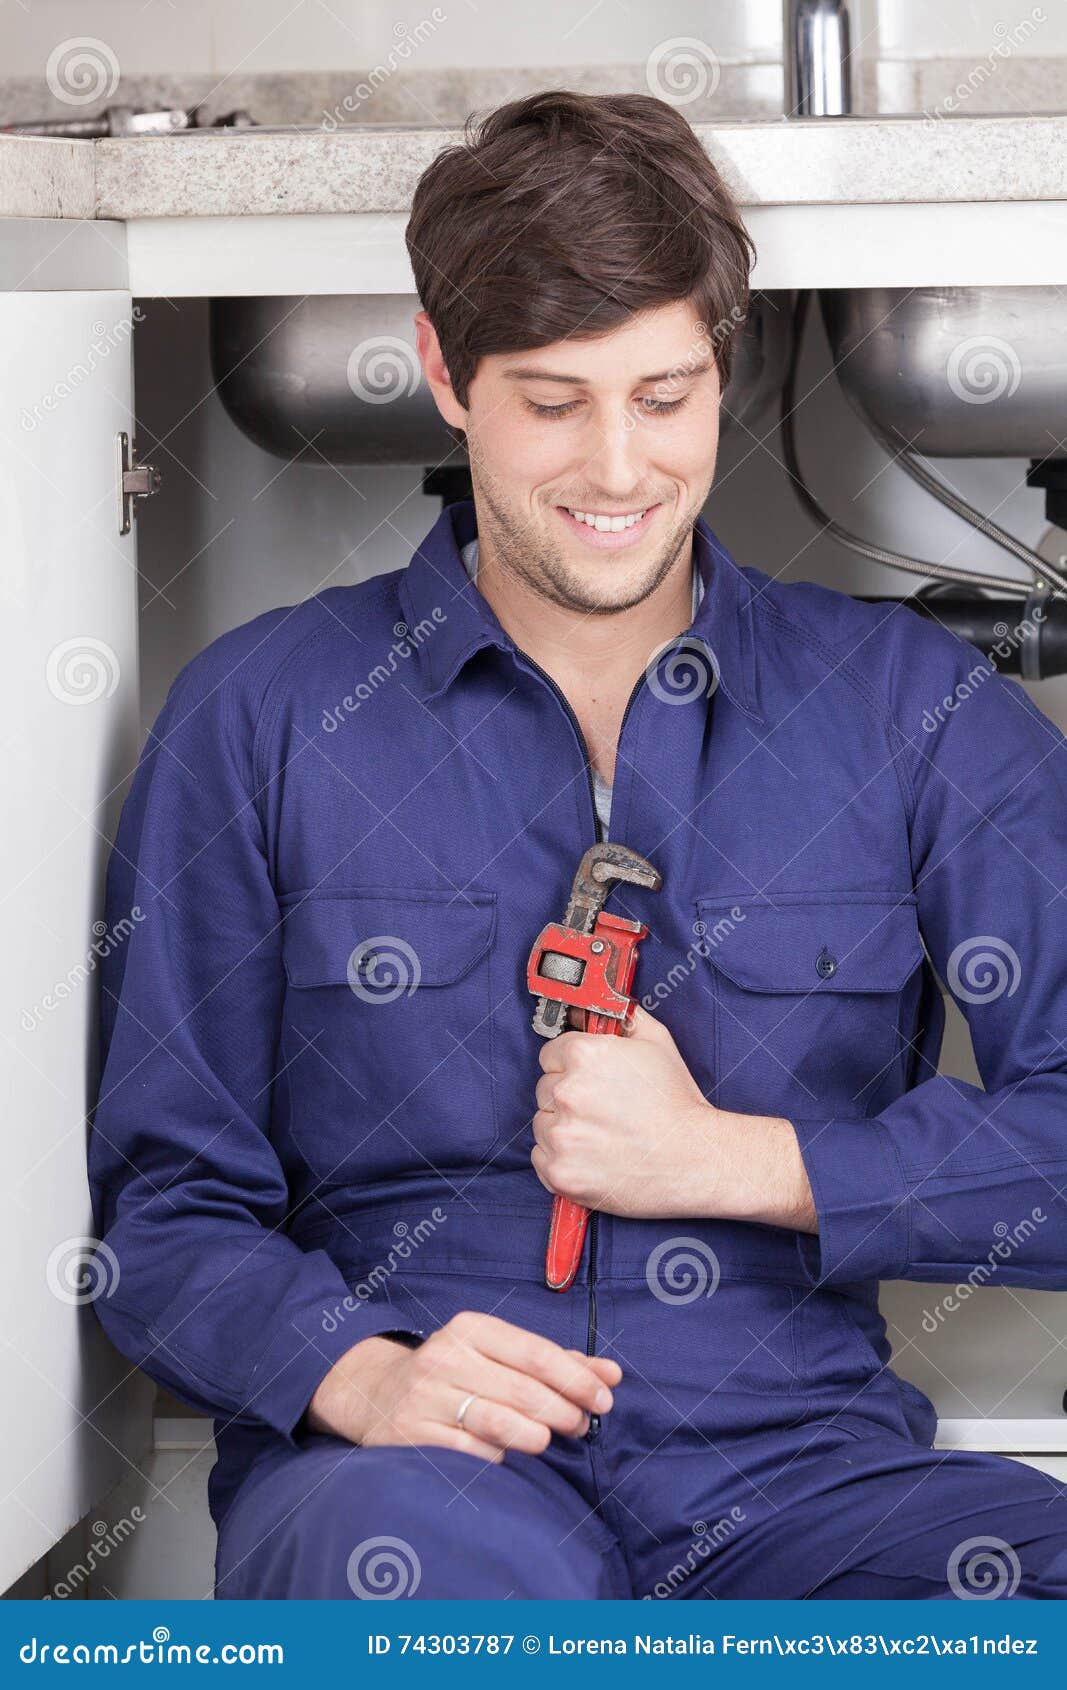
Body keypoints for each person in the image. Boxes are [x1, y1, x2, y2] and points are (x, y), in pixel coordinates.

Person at [89, 90, 1067, 1601]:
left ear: (720, 368)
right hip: (422, 1476)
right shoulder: (264, 718)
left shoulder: (911, 709)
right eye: (554, 401)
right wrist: (353, 1373)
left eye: (665, 396)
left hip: (803, 1473)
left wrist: (748, 1162)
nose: (620, 469)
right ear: (442, 372)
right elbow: (163, 1213)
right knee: (427, 1592)